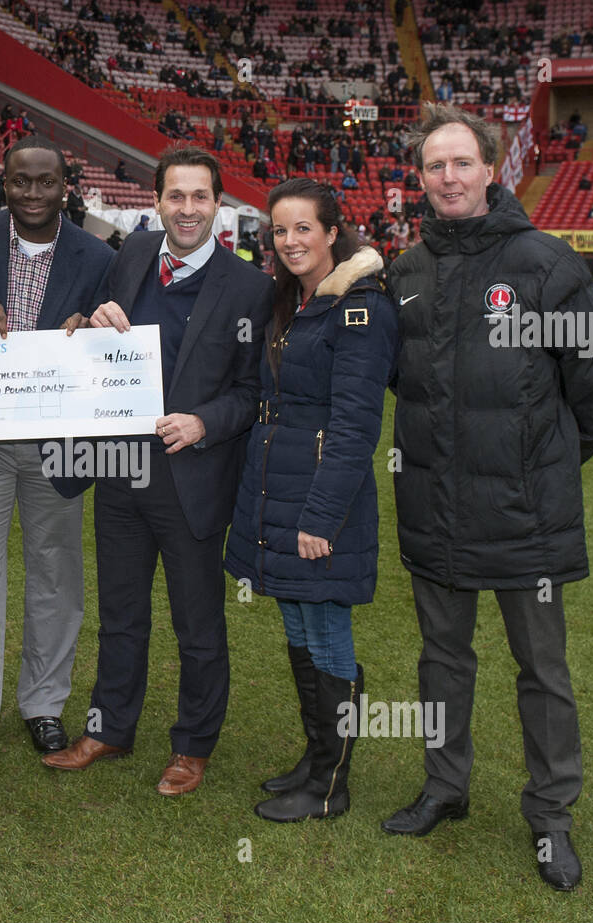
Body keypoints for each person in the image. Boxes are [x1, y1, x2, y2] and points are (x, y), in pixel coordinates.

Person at [382, 103, 593, 891]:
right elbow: (396, 384)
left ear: (493, 169)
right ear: (419, 180)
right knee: (442, 662)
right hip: (435, 511)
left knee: (541, 671)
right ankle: (444, 787)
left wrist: (539, 463)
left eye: (462, 163)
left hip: (526, 518)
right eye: (434, 166)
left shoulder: (545, 266)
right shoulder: (407, 273)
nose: (448, 177)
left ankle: (551, 816)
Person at [42, 147, 274, 795]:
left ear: (220, 204)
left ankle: (193, 743)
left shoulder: (251, 286)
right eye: (177, 196)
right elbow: (87, 341)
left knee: (196, 621)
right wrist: (90, 322)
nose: (188, 209)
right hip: (120, 470)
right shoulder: (133, 256)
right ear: (158, 202)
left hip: (192, 478)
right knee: (120, 611)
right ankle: (109, 725)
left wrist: (204, 420)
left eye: (201, 197)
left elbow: (254, 391)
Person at [0, 137, 114, 787]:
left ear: (67, 185)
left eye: (45, 182)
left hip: (57, 441)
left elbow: (106, 336)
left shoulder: (97, 254)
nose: (32, 193)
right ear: (0, 182)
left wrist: (92, 328)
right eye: (19, 181)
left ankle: (43, 703)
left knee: (56, 576)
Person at [225, 179, 398, 821]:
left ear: (332, 232)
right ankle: (316, 760)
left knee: (327, 635)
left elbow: (356, 426)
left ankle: (331, 784)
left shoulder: (361, 306)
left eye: (304, 229)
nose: (291, 241)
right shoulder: (293, 299)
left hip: (323, 499)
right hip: (282, 485)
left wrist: (321, 517)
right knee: (299, 627)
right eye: (280, 230)